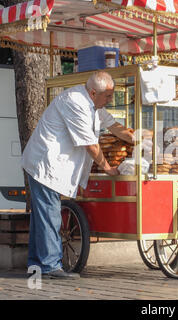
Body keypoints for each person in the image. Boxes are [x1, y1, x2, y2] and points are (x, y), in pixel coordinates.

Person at [22, 71, 135, 279]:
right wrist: (109, 168)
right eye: (108, 96)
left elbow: (114, 126)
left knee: (42, 217)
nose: (111, 100)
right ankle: (50, 266)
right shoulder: (75, 102)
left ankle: (36, 266)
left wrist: (136, 138)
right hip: (46, 164)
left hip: (51, 166)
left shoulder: (94, 105)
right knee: (50, 214)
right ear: (93, 92)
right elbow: (91, 145)